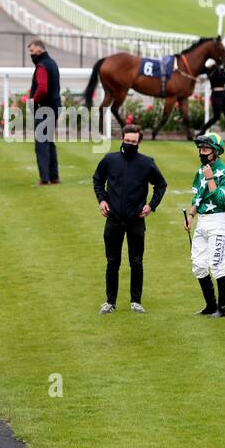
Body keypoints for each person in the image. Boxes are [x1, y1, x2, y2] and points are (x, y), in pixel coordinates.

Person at [92, 123, 167, 315]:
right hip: (113, 219)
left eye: (134, 142)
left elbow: (161, 184)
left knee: (136, 261)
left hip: (136, 220)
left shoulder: (146, 163)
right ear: (122, 139)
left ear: (139, 142)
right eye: (127, 141)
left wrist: (151, 206)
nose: (130, 144)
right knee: (112, 262)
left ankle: (136, 301)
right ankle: (110, 302)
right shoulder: (109, 160)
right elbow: (98, 180)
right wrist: (101, 201)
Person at [186, 132, 225, 317]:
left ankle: (223, 309)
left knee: (217, 265)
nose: (202, 152)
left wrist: (210, 179)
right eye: (200, 149)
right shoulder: (201, 170)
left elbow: (221, 200)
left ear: (216, 151)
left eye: (206, 149)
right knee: (199, 265)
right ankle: (211, 305)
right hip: (201, 222)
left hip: (218, 222)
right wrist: (191, 214)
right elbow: (198, 196)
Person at [29, 39, 61, 185]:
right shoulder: (53, 62)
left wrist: (33, 100)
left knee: (41, 143)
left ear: (39, 51)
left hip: (44, 107)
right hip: (54, 106)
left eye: (32, 51)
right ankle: (54, 176)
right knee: (49, 141)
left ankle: (45, 178)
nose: (31, 54)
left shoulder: (41, 66)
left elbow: (42, 88)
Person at [199, 57, 225, 141]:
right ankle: (202, 131)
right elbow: (223, 79)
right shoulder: (211, 69)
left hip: (223, 94)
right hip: (216, 95)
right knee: (216, 116)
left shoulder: (221, 69)